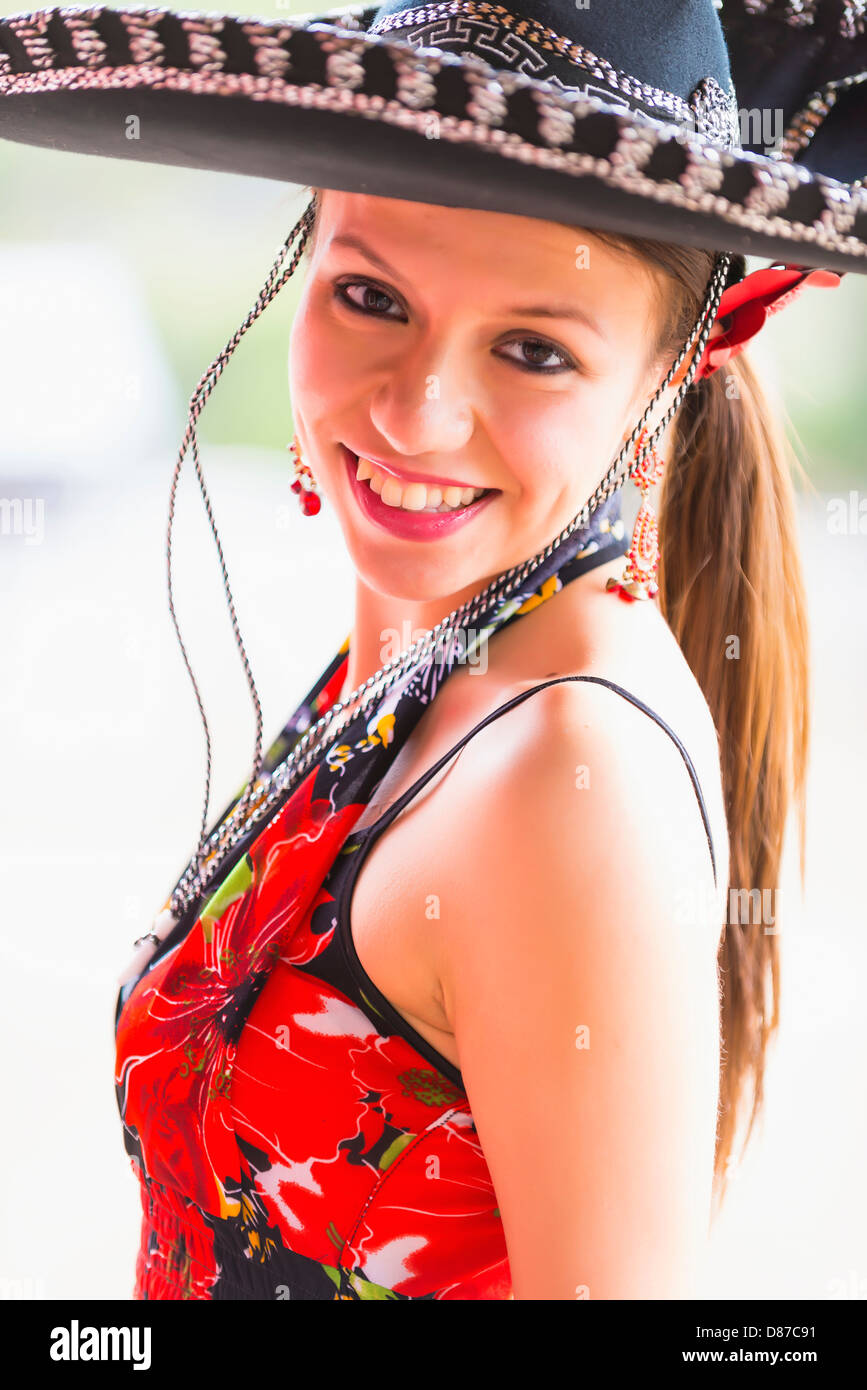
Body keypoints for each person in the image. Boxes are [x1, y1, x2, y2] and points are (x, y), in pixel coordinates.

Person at [2, 0, 864, 1301]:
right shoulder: (451, 646)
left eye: (533, 349)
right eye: (372, 296)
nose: (416, 410)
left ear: (662, 376)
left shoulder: (565, 783)